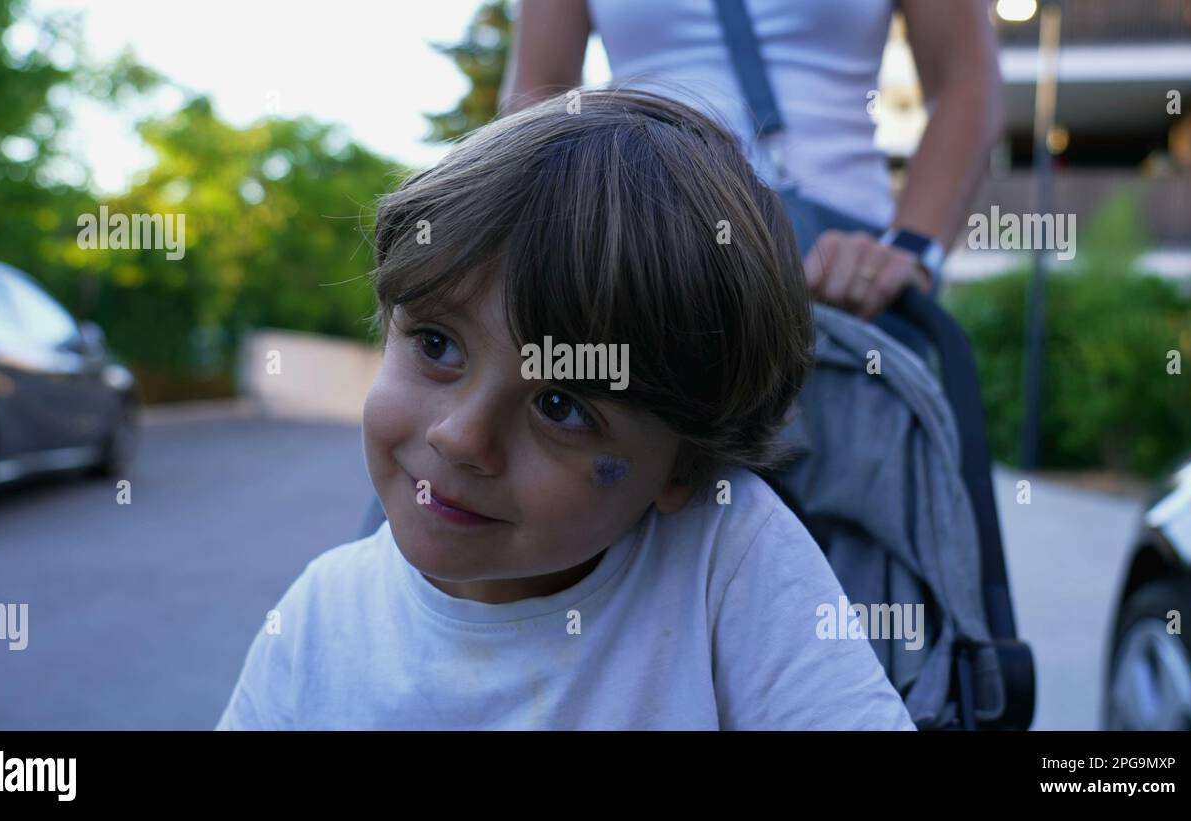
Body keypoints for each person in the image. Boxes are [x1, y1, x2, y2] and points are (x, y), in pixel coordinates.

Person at [216, 87, 915, 730]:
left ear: (685, 468)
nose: (460, 436)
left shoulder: (724, 564)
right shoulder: (321, 618)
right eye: (436, 343)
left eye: (560, 404)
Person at [501, 0, 1005, 321]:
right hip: (647, 252)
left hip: (840, 276)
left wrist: (912, 249)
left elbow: (968, 81)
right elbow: (538, 95)